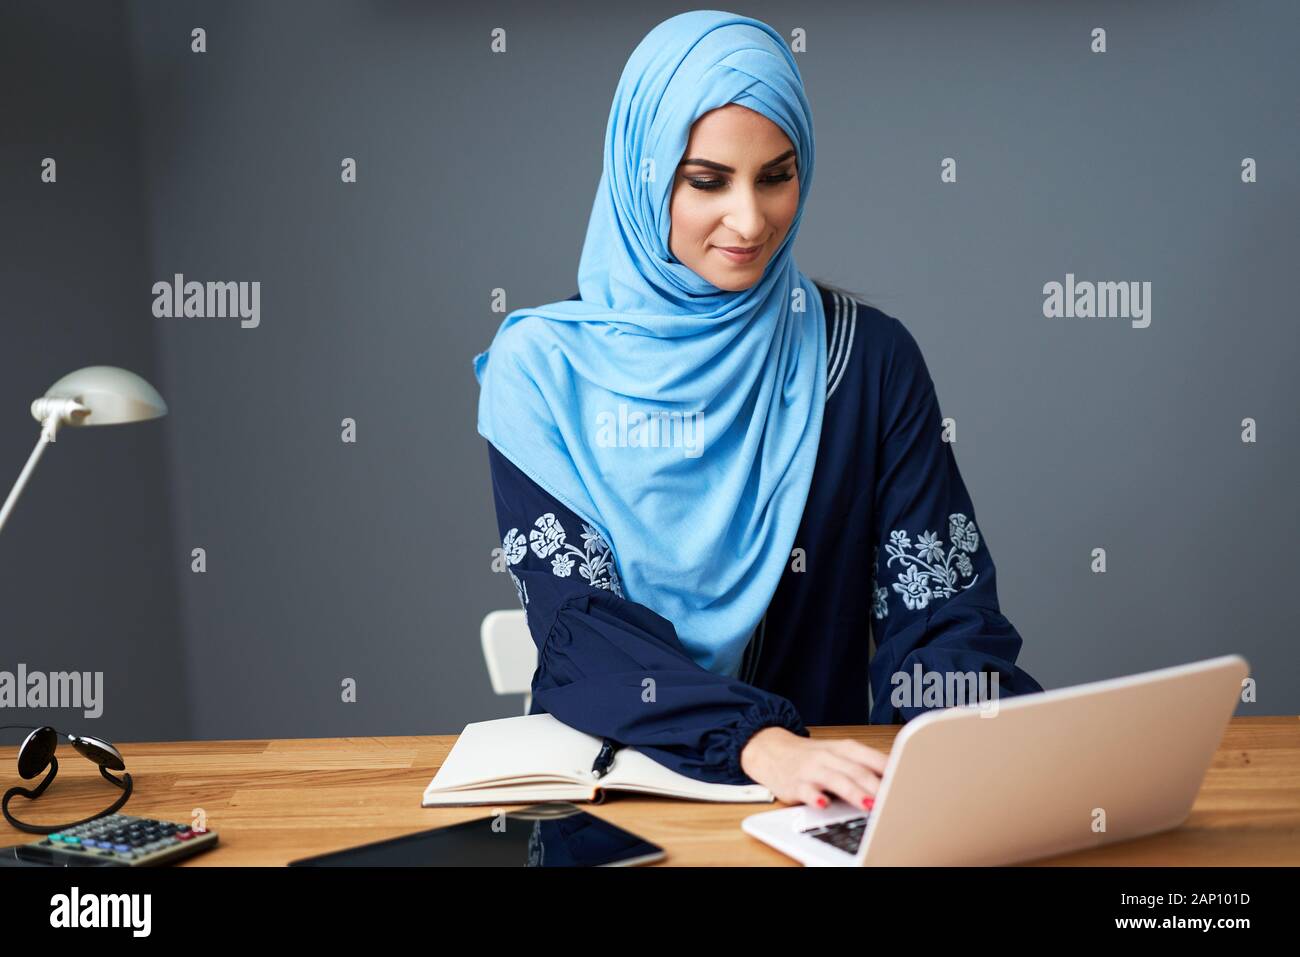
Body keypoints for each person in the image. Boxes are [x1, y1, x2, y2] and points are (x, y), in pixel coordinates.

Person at [472, 10, 1043, 811]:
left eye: (776, 175)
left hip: (826, 808)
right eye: (707, 180)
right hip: (616, 809)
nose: (750, 220)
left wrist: (974, 744)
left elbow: (939, 615)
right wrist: (758, 744)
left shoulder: (868, 360)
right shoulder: (543, 373)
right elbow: (581, 635)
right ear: (645, 174)